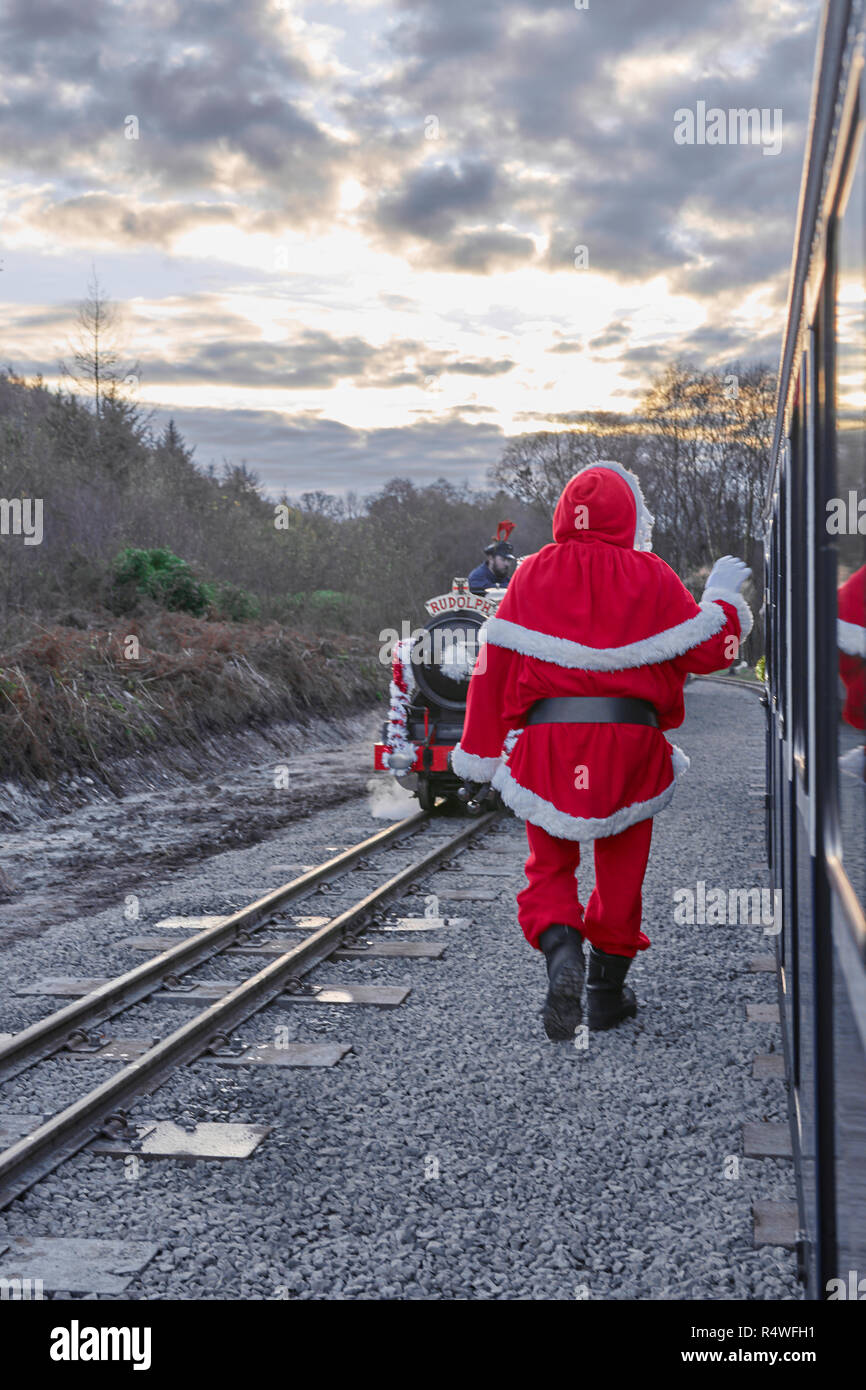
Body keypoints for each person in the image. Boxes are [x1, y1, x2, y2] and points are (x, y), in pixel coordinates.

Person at [451, 461, 752, 1040]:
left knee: (548, 863)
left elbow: (492, 670)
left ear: (565, 514)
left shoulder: (531, 572)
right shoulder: (652, 575)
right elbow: (714, 652)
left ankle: (562, 951)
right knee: (621, 873)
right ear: (629, 514)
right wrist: (721, 596)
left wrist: (479, 757)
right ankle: (606, 994)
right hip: (630, 746)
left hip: (548, 745)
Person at [467, 522, 516, 593]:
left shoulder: (505, 579)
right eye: (503, 559)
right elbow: (492, 591)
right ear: (491, 558)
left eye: (509, 560)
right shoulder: (476, 578)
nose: (507, 564)